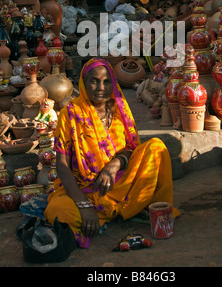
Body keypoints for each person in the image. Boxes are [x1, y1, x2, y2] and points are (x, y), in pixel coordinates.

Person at [44, 57, 180, 248]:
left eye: (106, 81)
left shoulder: (119, 108)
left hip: (122, 185)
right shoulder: (71, 113)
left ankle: (141, 205)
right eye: (94, 81)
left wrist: (115, 165)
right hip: (88, 191)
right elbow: (62, 164)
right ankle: (122, 211)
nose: (100, 87)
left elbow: (131, 149)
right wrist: (83, 206)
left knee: (156, 147)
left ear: (113, 83)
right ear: (83, 82)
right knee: (58, 211)